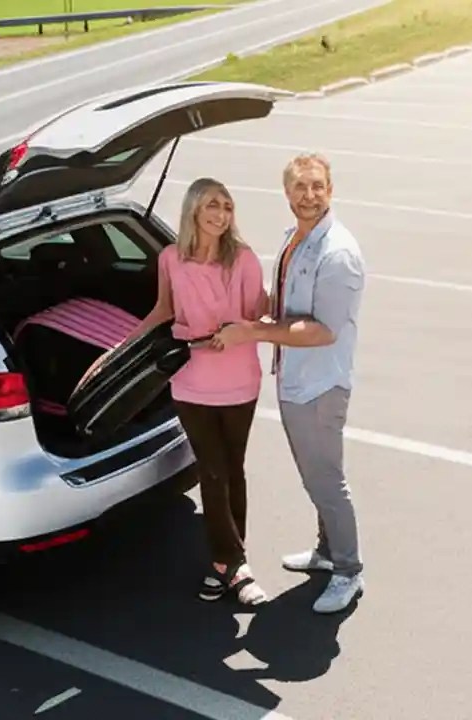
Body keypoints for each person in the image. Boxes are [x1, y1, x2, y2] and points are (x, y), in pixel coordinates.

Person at [213, 153, 366, 615]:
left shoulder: (337, 253)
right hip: (295, 381)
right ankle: (326, 552)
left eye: (318, 186)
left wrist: (254, 332)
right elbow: (282, 305)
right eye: (300, 187)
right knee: (314, 476)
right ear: (287, 193)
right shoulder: (294, 239)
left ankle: (348, 571)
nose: (309, 195)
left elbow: (323, 330)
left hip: (320, 387)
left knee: (326, 481)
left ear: (331, 190)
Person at [122, 177, 271, 606]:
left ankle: (226, 565)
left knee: (233, 468)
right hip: (190, 382)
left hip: (239, 381)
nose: (221, 214)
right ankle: (233, 564)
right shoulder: (170, 258)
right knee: (212, 470)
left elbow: (258, 318)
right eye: (212, 205)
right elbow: (163, 311)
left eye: (227, 206)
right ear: (193, 210)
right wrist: (120, 350)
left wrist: (237, 333)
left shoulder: (243, 261)